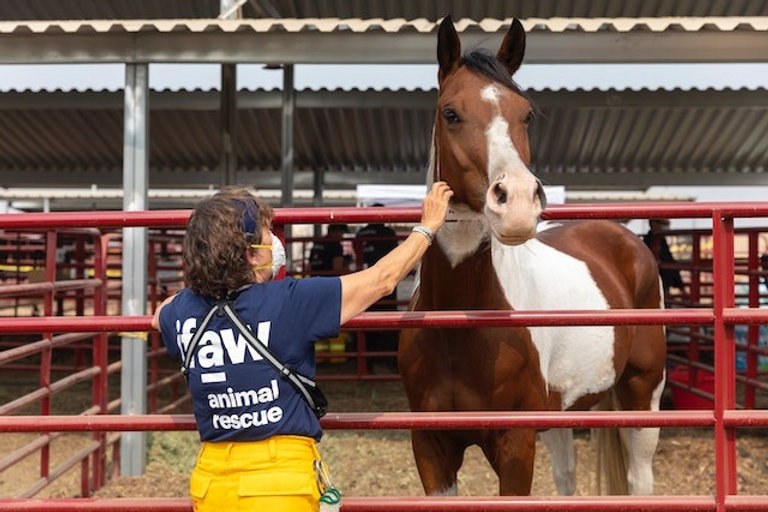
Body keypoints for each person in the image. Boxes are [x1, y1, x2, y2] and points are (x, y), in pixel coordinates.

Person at [151, 182, 453, 512]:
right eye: (267, 234)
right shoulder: (291, 302)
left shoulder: (181, 312)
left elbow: (160, 314)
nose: (275, 242)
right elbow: (382, 279)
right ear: (250, 255)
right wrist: (427, 227)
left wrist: (200, 289)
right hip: (280, 485)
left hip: (211, 485)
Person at [355, 208, 399, 372]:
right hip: (387, 278)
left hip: (366, 279)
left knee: (367, 320)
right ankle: (389, 359)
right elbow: (396, 254)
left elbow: (357, 254)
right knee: (390, 321)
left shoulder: (361, 233)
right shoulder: (388, 232)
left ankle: (368, 363)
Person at [643, 218, 685, 294]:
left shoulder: (657, 240)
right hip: (657, 281)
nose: (664, 226)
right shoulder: (650, 241)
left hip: (659, 281)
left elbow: (668, 260)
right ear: (653, 223)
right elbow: (668, 259)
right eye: (662, 223)